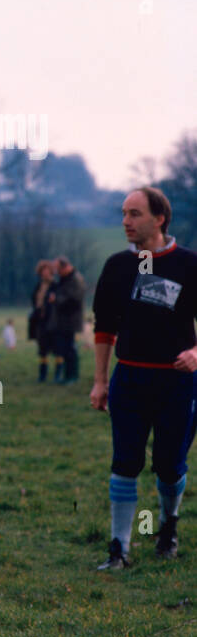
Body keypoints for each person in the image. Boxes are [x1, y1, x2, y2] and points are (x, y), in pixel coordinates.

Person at [91, 187, 193, 568]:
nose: (125, 222)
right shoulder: (117, 266)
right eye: (123, 214)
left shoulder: (188, 264)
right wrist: (101, 381)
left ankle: (168, 526)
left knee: (169, 465)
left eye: (134, 214)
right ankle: (119, 548)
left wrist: (196, 354)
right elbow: (104, 327)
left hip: (177, 384)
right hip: (130, 380)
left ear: (159, 219)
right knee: (125, 461)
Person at [50, 255, 86, 384]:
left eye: (58, 270)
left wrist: (56, 299)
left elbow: (74, 300)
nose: (57, 273)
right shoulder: (65, 278)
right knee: (65, 349)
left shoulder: (76, 279)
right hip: (63, 321)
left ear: (65, 267)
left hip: (71, 320)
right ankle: (67, 376)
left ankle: (73, 377)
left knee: (70, 349)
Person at [30, 260, 57, 380]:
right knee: (42, 348)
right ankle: (42, 374)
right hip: (39, 319)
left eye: (47, 271)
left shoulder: (55, 285)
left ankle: (57, 374)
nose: (45, 273)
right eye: (42, 271)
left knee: (56, 347)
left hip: (52, 320)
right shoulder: (38, 285)